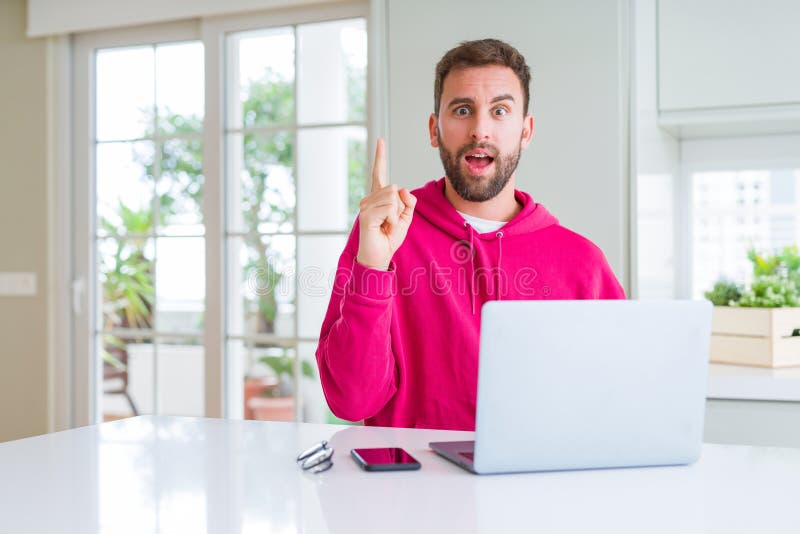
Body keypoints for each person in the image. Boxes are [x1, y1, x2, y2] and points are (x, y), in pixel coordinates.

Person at [315, 38, 625, 431]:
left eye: (500, 111)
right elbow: (351, 400)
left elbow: (615, 405)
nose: (480, 130)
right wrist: (374, 266)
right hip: (405, 490)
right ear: (434, 128)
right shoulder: (385, 234)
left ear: (525, 131)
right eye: (463, 110)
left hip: (535, 489)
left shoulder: (583, 263)